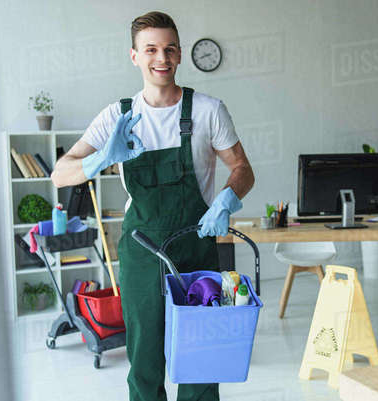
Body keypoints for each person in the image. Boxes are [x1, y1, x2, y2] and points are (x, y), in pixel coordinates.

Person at [50, 11, 254, 401]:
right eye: (151, 49)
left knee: (201, 356)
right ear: (134, 56)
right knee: (144, 357)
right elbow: (61, 174)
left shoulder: (209, 110)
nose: (162, 58)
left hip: (196, 247)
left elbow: (242, 169)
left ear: (179, 55)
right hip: (142, 252)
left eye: (170, 49)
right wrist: (99, 159)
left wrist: (228, 196)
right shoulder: (118, 115)